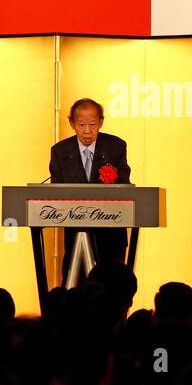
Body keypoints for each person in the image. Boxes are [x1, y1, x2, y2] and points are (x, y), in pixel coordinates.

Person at [48, 97, 130, 282]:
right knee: (76, 285)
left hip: (111, 234)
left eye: (92, 124)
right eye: (81, 125)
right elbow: (56, 192)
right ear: (71, 123)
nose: (87, 131)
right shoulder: (60, 151)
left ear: (101, 122)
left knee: (112, 286)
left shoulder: (116, 146)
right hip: (77, 232)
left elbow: (124, 185)